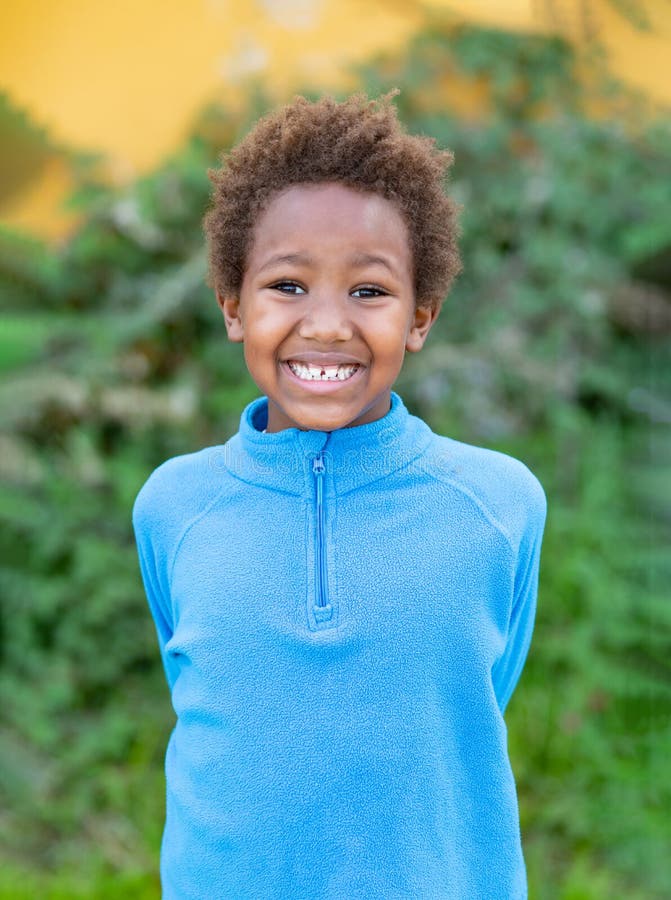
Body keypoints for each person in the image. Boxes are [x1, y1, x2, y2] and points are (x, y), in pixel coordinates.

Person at [132, 92, 547, 899]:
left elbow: (474, 695)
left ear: (419, 316)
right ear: (232, 306)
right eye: (287, 285)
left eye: (368, 292)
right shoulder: (173, 507)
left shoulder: (498, 505)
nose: (326, 325)